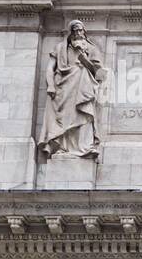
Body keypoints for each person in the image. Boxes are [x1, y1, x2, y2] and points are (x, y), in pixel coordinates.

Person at [40, 20, 104, 158]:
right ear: (71, 33)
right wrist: (51, 85)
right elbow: (50, 68)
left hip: (83, 86)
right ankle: (63, 147)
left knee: (84, 113)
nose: (78, 33)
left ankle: (85, 146)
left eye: (80, 30)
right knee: (63, 118)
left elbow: (98, 73)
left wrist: (83, 58)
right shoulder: (60, 48)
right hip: (63, 87)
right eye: (75, 30)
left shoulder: (91, 49)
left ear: (84, 32)